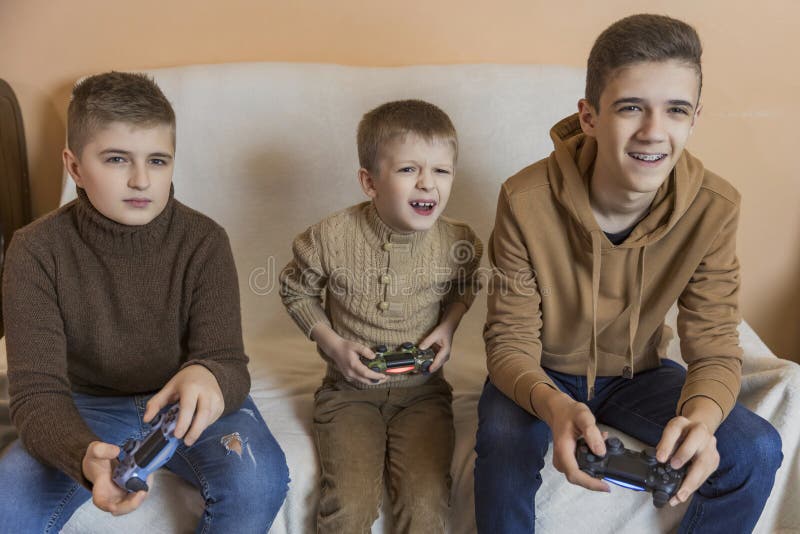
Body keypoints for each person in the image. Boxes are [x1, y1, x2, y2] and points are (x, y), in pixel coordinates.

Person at [475, 14, 782, 533]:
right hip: (544, 372)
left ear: (694, 118)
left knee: (754, 447)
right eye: (631, 107)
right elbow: (509, 342)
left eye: (676, 110)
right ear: (590, 116)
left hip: (639, 374)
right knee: (505, 445)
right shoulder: (524, 198)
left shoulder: (715, 207)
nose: (653, 132)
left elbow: (713, 341)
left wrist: (702, 420)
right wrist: (554, 406)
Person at [0, 71, 289, 532]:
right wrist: (82, 455)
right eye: (117, 159)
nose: (140, 180)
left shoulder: (204, 241)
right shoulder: (34, 250)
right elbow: (37, 395)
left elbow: (230, 364)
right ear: (74, 167)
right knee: (7, 502)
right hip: (85, 404)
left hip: (187, 408)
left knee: (260, 479)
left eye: (157, 160)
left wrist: (208, 374)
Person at [280, 99, 482, 533]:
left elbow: (467, 285)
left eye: (441, 171)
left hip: (423, 394)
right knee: (349, 507)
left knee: (426, 506)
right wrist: (333, 345)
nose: (428, 184)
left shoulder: (459, 241)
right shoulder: (329, 237)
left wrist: (449, 325)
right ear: (369, 182)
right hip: (349, 393)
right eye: (409, 170)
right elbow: (295, 289)